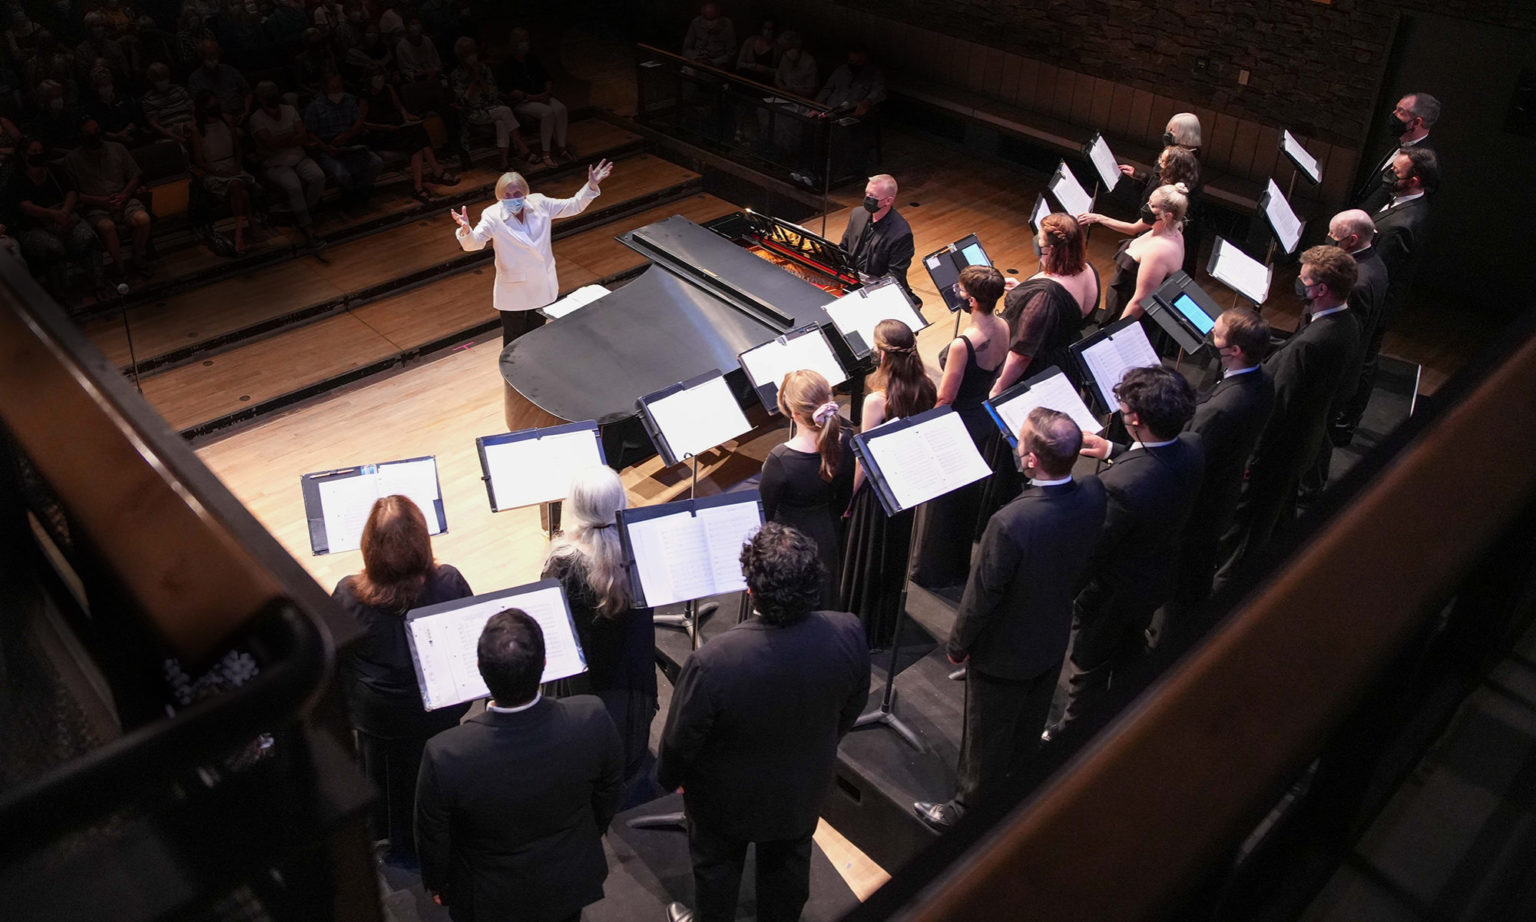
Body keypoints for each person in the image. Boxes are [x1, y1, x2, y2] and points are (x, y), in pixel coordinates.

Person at [658, 523, 870, 922]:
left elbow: (679, 741)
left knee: (717, 879)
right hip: (800, 790)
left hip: (723, 803)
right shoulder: (848, 632)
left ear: (751, 589)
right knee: (787, 877)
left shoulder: (713, 660)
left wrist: (674, 779)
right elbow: (853, 703)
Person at [914, 408, 1107, 830]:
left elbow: (982, 596)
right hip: (1051, 634)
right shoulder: (1093, 493)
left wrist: (958, 644)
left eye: (1021, 441)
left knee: (984, 736)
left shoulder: (1010, 521)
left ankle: (965, 810)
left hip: (1003, 650)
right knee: (1027, 727)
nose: (1017, 447)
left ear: (1032, 459)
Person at [416, 609, 624, 922]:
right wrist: (586, 834)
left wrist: (438, 882)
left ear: (479, 669)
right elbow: (608, 791)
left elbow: (432, 837)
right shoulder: (591, 717)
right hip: (568, 878)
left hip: (488, 897)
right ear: (543, 664)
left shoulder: (446, 753)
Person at [1082, 309, 1275, 628]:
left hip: (1200, 511)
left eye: (1217, 334)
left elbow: (1173, 459)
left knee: (1183, 595)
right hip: (1222, 493)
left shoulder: (1219, 411)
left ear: (1235, 350)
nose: (1211, 336)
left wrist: (1115, 451)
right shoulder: (1260, 377)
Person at [1047, 365, 1204, 735]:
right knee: (1130, 651)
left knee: (1088, 662)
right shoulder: (1193, 447)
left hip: (1113, 593)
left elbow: (1093, 551)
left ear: (1136, 418)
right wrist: (1114, 449)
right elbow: (1156, 464)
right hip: (1157, 574)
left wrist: (1060, 595)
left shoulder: (1121, 486)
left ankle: (1073, 734)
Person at [333, 495, 473, 866]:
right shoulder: (448, 581)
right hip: (438, 714)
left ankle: (389, 837)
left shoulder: (348, 595)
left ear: (369, 548)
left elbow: (336, 665)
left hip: (380, 725)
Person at [1219, 247, 1362, 585]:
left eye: (1304, 278)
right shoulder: (1347, 322)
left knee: (1242, 534)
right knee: (1274, 521)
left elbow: (1278, 406)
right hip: (1305, 440)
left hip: (1277, 453)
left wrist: (1251, 458)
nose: (1298, 282)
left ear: (1321, 289)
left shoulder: (1308, 345)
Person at [541, 466, 657, 798]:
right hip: (633, 696)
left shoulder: (561, 567)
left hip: (581, 699)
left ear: (573, 507)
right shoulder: (642, 550)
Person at [841, 319, 936, 646]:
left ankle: (861, 623)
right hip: (906, 483)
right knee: (894, 552)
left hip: (877, 490)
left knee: (868, 553)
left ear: (882, 355)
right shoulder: (927, 387)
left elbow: (864, 460)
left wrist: (848, 498)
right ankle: (884, 619)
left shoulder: (876, 401)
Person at [913, 264, 1008, 588]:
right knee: (967, 497)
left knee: (945, 501)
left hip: (961, 424)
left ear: (972, 300)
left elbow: (946, 398)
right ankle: (956, 564)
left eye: (962, 290)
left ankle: (934, 570)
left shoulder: (963, 344)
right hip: (985, 418)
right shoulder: (1004, 327)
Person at [450, 159, 614, 345]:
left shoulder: (540, 203)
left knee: (538, 334)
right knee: (514, 338)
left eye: (517, 193)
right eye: (508, 194)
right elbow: (475, 243)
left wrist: (590, 186)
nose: (513, 198)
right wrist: (465, 231)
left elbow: (573, 205)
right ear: (500, 196)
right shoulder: (492, 215)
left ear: (525, 193)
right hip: (513, 288)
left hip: (541, 282)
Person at [760, 369, 854, 607]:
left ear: (793, 413)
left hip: (788, 546)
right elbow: (843, 497)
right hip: (828, 533)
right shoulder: (845, 442)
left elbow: (766, 515)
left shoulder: (779, 459)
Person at [991, 213, 1100, 397]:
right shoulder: (1088, 269)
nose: (1036, 244)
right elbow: (1064, 312)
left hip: (1035, 374)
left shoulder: (1044, 296)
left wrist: (997, 389)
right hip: (1064, 364)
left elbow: (1021, 356)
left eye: (1039, 241)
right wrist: (1025, 292)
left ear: (1051, 249)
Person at [1328, 209, 1393, 448]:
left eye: (1333, 236)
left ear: (1352, 240)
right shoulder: (1375, 262)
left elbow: (1344, 335)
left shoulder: (1356, 282)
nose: (1329, 238)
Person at [6, 134, 100, 296]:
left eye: (40, 150)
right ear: (24, 153)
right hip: (34, 226)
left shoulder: (55, 170)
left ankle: (98, 283)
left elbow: (71, 191)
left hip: (65, 218)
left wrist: (64, 212)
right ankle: (62, 293)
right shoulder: (16, 178)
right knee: (52, 248)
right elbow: (24, 206)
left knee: (87, 237)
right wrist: (52, 214)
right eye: (33, 151)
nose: (38, 154)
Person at [65, 116, 152, 282]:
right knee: (107, 226)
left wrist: (125, 194)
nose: (94, 135)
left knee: (143, 219)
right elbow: (73, 193)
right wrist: (101, 201)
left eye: (96, 131)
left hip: (124, 199)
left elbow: (135, 176)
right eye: (89, 133)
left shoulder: (117, 148)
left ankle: (138, 256)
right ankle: (119, 265)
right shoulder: (72, 160)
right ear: (81, 136)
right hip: (95, 206)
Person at [359, 63, 457, 204]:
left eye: (380, 74)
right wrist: (385, 127)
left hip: (396, 128)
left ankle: (422, 184)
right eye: (375, 75)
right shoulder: (364, 96)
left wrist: (406, 118)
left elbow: (400, 107)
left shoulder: (388, 88)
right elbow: (362, 123)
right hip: (379, 133)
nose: (378, 78)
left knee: (418, 132)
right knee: (416, 140)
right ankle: (434, 174)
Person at [249, 81, 326, 249]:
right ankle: (308, 228)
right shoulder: (256, 118)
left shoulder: (289, 110)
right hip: (275, 164)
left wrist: (281, 139)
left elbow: (302, 136)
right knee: (294, 186)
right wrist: (291, 135)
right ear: (261, 99)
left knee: (318, 176)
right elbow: (270, 144)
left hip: (299, 157)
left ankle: (303, 212)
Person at [1101, 182, 1188, 321]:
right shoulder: (1164, 231)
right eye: (1149, 202)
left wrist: (1115, 334)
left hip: (1127, 314)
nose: (1146, 207)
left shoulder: (1159, 252)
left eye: (1153, 206)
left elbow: (1140, 302)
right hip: (1120, 303)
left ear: (1168, 215)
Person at [1077, 146, 1199, 239]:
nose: (1159, 163)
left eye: (1163, 162)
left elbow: (1133, 228)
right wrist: (1137, 175)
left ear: (1171, 169)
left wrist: (1098, 218)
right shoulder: (1172, 185)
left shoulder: (1167, 200)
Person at [189, 91, 259, 254]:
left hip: (232, 165)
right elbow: (199, 161)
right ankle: (244, 230)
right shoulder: (196, 130)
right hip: (214, 171)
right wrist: (218, 172)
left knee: (239, 189)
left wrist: (237, 165)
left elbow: (238, 148)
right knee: (238, 188)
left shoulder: (227, 120)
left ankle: (240, 233)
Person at [450, 36, 529, 171]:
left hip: (491, 107)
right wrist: (474, 81)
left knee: (501, 122)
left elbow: (492, 93)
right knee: (505, 111)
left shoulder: (484, 68)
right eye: (468, 53)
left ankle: (504, 163)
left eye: (473, 51)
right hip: (473, 113)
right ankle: (522, 146)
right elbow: (463, 100)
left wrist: (479, 77)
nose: (472, 56)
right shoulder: (456, 74)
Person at [304, 72, 382, 209]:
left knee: (375, 163)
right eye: (333, 88)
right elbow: (310, 133)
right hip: (328, 148)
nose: (337, 90)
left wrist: (346, 136)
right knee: (342, 174)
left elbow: (358, 122)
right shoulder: (315, 107)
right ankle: (350, 198)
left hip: (350, 143)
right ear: (325, 88)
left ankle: (362, 193)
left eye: (339, 86)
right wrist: (326, 146)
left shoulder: (349, 99)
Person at [1354, 92, 1440, 211]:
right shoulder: (1401, 143)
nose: (1394, 114)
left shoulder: (1423, 162)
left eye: (1401, 112)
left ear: (1416, 122)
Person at [840, 172, 916, 304]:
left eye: (873, 196)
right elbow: (843, 248)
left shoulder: (901, 233)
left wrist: (864, 292)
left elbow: (894, 276)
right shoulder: (857, 214)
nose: (868, 198)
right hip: (851, 280)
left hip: (877, 291)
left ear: (888, 200)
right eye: (867, 194)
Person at [501, 27, 569, 168]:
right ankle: (546, 154)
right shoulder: (508, 63)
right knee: (547, 113)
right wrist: (532, 97)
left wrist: (546, 93)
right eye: (521, 41)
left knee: (560, 109)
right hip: (524, 101)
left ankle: (562, 148)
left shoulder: (532, 58)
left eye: (526, 40)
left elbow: (547, 78)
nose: (525, 43)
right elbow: (510, 90)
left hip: (542, 96)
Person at [186, 38, 250, 125]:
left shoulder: (230, 70)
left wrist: (246, 112)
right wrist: (221, 117)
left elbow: (247, 93)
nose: (212, 57)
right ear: (201, 56)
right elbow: (198, 106)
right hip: (217, 121)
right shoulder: (195, 79)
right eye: (207, 55)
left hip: (242, 114)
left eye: (214, 54)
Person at [139, 61, 195, 143]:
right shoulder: (149, 99)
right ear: (152, 80)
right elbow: (155, 125)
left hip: (191, 128)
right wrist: (176, 137)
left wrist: (193, 126)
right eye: (158, 79)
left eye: (164, 78)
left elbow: (194, 110)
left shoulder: (179, 90)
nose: (162, 81)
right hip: (170, 135)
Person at [681, 2, 735, 69]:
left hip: (715, 67)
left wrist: (712, 62)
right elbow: (686, 47)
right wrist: (695, 58)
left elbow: (731, 53)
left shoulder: (727, 25)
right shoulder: (696, 22)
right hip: (695, 61)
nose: (709, 25)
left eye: (713, 21)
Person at [773, 31, 816, 98]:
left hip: (800, 100)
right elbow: (777, 78)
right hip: (782, 96)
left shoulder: (809, 62)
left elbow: (811, 90)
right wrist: (782, 87)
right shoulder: (785, 57)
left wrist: (794, 90)